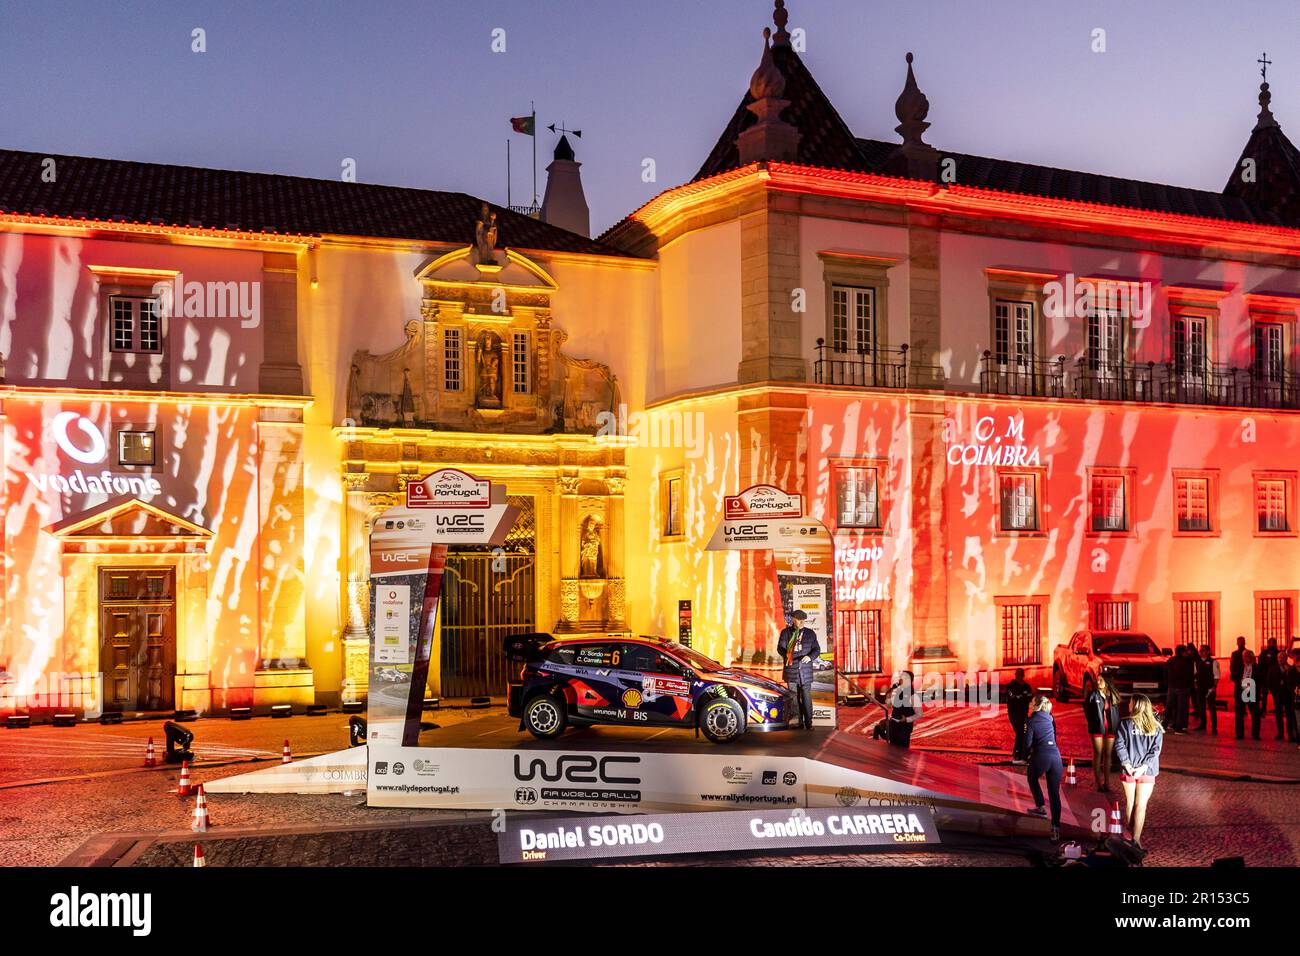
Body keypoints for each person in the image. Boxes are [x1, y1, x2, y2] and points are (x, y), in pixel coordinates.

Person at [1114, 694, 1165, 854]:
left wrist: (1127, 764)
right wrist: (1143, 767)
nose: (1128, 704)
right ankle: (1136, 840)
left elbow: (1120, 744)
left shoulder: (1125, 723)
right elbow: (1156, 750)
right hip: (1147, 770)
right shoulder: (1155, 726)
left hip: (1129, 768)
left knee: (1130, 803)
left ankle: (1127, 837)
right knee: (1141, 806)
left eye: (1130, 702)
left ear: (1135, 705)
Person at [1024, 694, 1063, 842]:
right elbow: (1054, 735)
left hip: (1041, 756)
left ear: (1036, 705)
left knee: (1032, 777)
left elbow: (1027, 743)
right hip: (1056, 757)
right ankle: (1055, 829)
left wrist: (1026, 756)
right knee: (1054, 794)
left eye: (1032, 701)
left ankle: (1040, 806)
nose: (1030, 703)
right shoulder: (1050, 718)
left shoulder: (1031, 720)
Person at [776, 610, 820, 730]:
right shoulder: (786, 633)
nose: (801, 622)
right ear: (793, 619)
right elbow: (780, 648)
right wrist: (787, 654)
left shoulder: (810, 634)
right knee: (794, 698)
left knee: (806, 696)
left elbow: (816, 649)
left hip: (805, 671)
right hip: (791, 670)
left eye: (803, 620)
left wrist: (810, 657)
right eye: (799, 619)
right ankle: (799, 722)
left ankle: (809, 723)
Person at [1084, 674, 1122, 791]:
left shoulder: (1114, 696)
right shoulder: (1093, 695)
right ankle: (1098, 783)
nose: (1098, 681)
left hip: (1110, 728)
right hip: (1097, 728)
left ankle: (1107, 783)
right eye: (1098, 679)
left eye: (1101, 680)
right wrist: (1093, 722)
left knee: (1108, 754)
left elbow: (1117, 712)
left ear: (1107, 682)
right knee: (1098, 754)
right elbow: (1086, 710)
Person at [1005, 668, 1033, 765]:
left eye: (1021, 675)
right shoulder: (1010, 686)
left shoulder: (1026, 686)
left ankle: (1019, 752)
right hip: (1014, 713)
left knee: (1023, 732)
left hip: (1023, 713)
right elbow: (1012, 697)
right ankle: (1018, 752)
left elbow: (1030, 696)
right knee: (1020, 731)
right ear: (1016, 675)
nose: (1019, 677)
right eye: (1018, 675)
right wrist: (1022, 696)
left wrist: (1022, 696)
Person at [886, 670, 920, 748]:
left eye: (901, 678)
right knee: (893, 751)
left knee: (902, 751)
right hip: (894, 726)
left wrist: (907, 719)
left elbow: (919, 714)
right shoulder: (899, 692)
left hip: (904, 728)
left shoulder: (913, 695)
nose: (899, 680)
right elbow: (890, 706)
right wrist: (888, 696)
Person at [1165, 643, 1194, 733]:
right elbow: (1189, 674)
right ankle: (1179, 728)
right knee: (1182, 708)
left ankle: (1165, 725)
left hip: (1172, 686)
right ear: (1182, 652)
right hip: (1183, 687)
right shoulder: (1187, 661)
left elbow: (1166, 673)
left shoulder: (1171, 660)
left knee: (1170, 707)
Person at [1235, 649, 1263, 740]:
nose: (1246, 658)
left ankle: (1255, 734)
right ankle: (1239, 734)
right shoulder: (1239, 666)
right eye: (1244, 656)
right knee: (1239, 714)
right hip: (1241, 690)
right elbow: (1234, 676)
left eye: (1248, 656)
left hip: (1252, 690)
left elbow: (1260, 680)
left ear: (1252, 657)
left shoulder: (1257, 667)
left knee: (1255, 714)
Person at [1275, 652, 1300, 743]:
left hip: (1288, 696)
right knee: (1279, 715)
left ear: (1286, 659)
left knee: (1290, 716)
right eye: (1279, 657)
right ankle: (1280, 733)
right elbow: (1270, 681)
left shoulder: (1290, 668)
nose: (1281, 659)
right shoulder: (1273, 669)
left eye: (1283, 657)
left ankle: (1290, 734)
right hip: (1278, 695)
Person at [1260, 638, 1282, 735]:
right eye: (1271, 642)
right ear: (1268, 643)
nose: (1272, 644)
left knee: (1276, 695)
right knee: (1264, 694)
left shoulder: (1278, 652)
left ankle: (1277, 709)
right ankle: (1263, 709)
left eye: (1274, 642)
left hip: (1275, 679)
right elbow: (1261, 663)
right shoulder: (1264, 653)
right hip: (1265, 677)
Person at [1196, 644, 1220, 734]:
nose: (1201, 652)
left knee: (1212, 707)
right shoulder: (1197, 661)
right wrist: (1195, 684)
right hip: (1200, 688)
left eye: (1203, 650)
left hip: (1210, 688)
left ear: (1208, 651)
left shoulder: (1213, 662)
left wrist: (1214, 686)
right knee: (1201, 707)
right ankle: (1203, 724)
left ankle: (1214, 727)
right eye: (1200, 650)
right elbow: (1195, 674)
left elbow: (1217, 676)